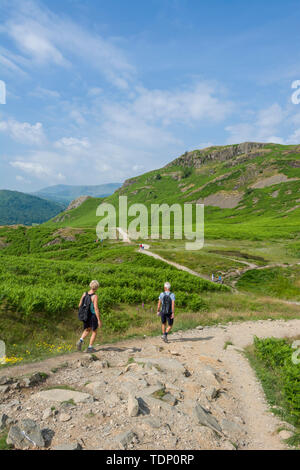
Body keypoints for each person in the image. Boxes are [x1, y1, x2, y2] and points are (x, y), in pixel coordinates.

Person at [76, 280, 102, 353]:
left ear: (90, 286)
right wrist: (99, 320)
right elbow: (96, 308)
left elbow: (79, 305)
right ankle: (90, 348)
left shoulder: (84, 294)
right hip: (92, 316)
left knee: (87, 329)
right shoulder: (95, 296)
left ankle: (80, 340)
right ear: (97, 288)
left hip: (86, 315)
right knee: (94, 331)